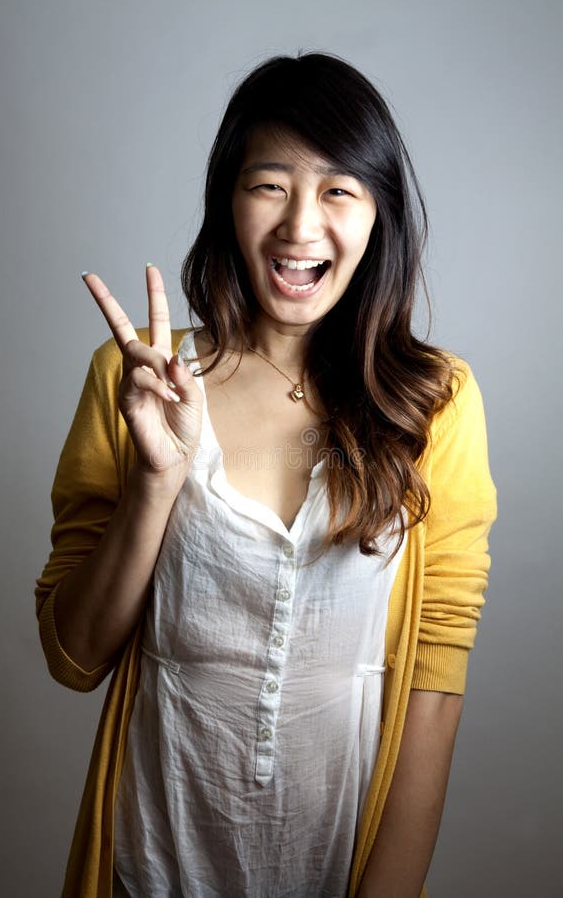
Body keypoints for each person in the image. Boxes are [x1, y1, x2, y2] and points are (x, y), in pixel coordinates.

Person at [36, 52, 497, 898]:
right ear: (229, 201)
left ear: (379, 214)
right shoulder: (136, 380)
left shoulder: (436, 402)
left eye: (338, 190)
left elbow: (434, 691)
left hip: (336, 867)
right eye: (270, 185)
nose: (300, 226)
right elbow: (74, 656)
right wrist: (156, 483)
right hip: (149, 864)